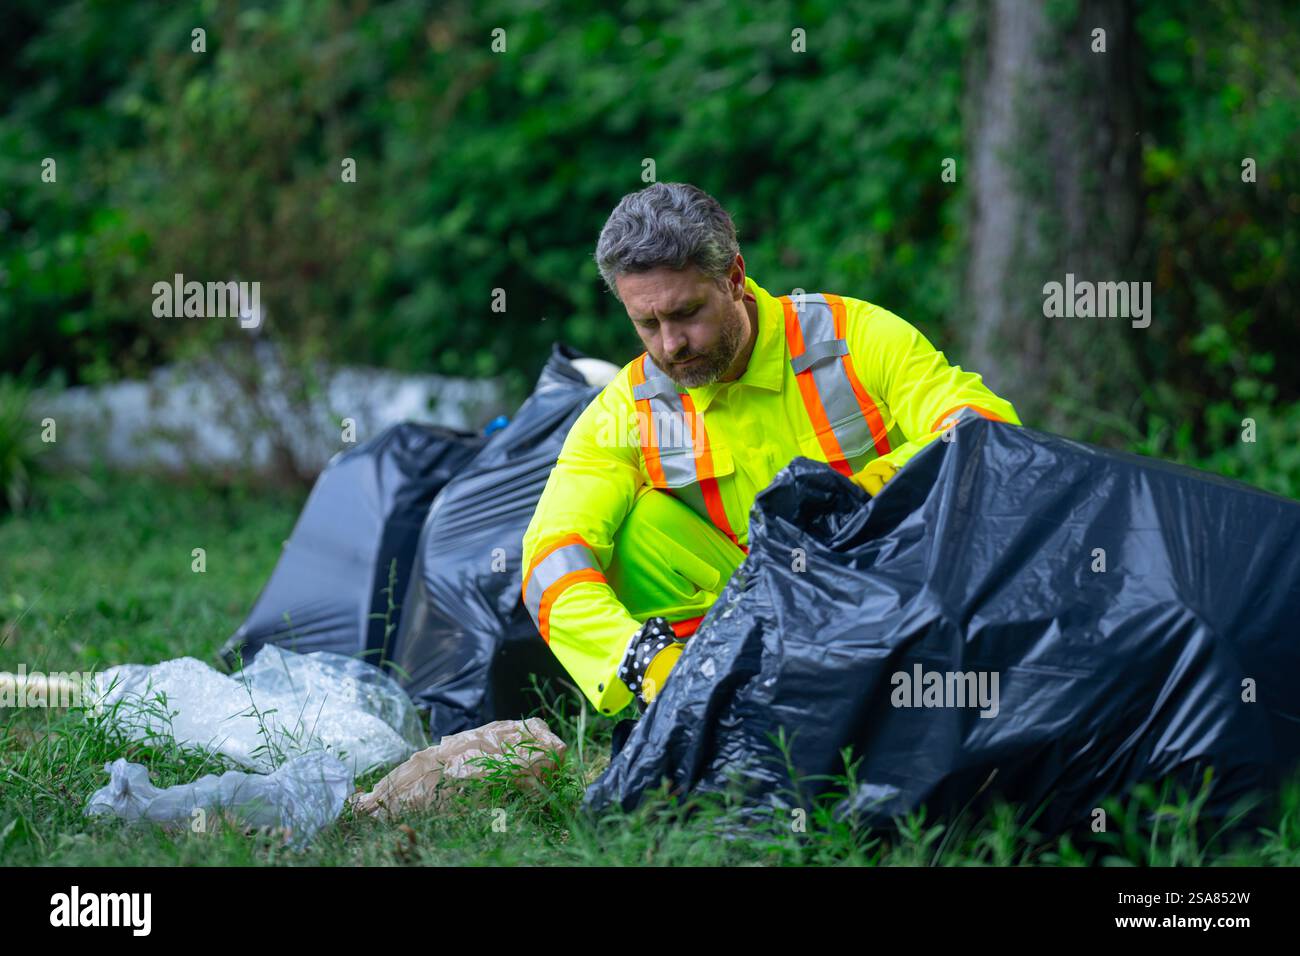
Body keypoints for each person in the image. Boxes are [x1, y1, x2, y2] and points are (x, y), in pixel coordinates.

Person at [521, 182, 1021, 716]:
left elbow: (984, 426)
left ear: (734, 278)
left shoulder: (853, 337)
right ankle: (707, 705)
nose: (671, 344)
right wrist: (646, 663)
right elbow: (550, 556)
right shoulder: (629, 408)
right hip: (759, 635)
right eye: (647, 323)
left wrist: (880, 488)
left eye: (687, 312)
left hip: (900, 597)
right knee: (633, 530)